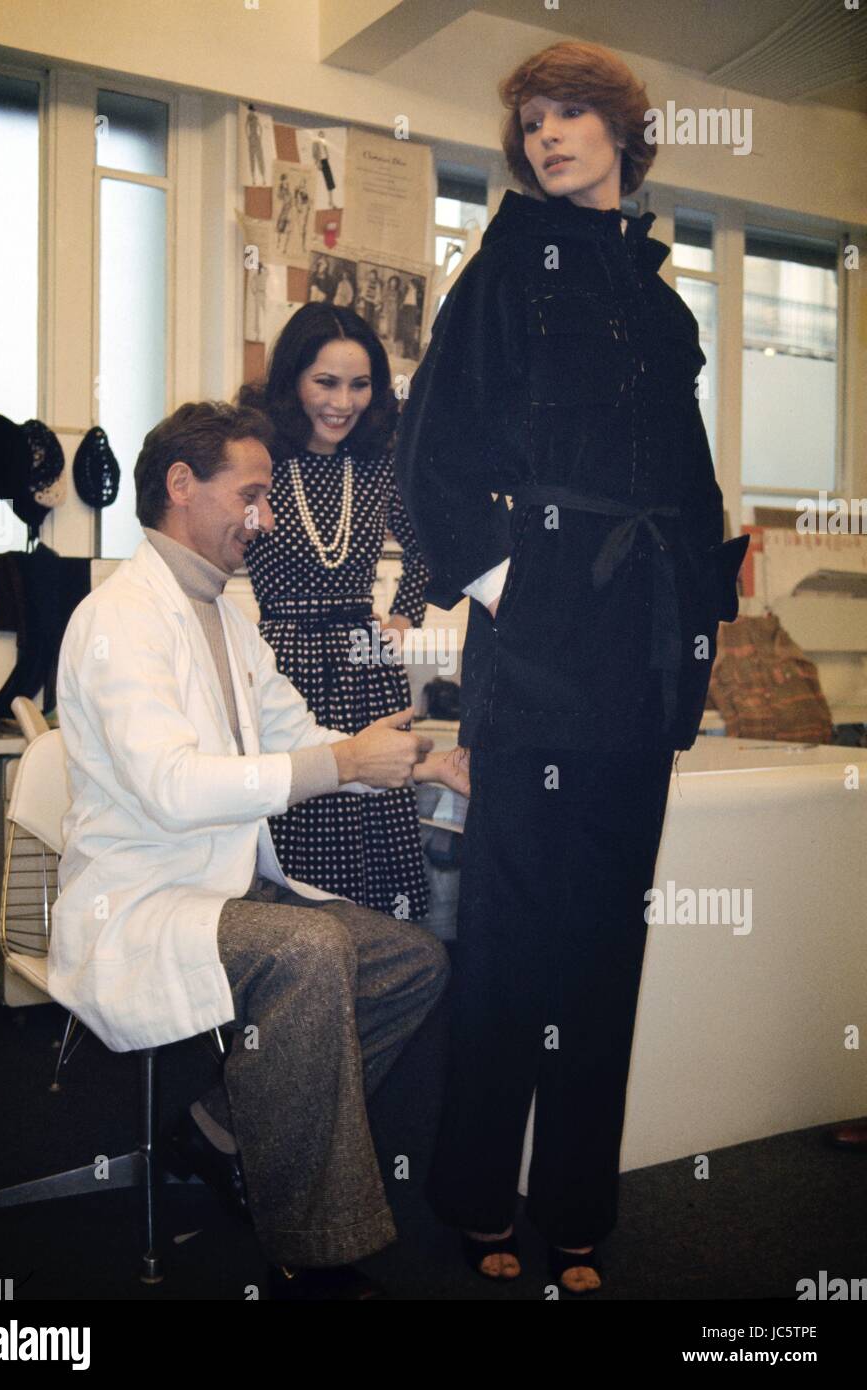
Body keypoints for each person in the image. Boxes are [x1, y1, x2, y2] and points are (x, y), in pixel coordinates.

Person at [394, 39, 749, 1294]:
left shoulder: (660, 299)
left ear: (619, 132)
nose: (545, 136)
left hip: (638, 661)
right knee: (510, 940)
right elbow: (427, 453)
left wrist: (690, 654)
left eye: (569, 116)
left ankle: (578, 1204)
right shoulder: (500, 268)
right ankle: (478, 1193)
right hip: (541, 647)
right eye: (530, 121)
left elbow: (692, 493)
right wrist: (511, 589)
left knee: (606, 948)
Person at [49, 400, 469, 1300]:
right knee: (311, 949)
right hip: (140, 903)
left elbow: (305, 740)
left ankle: (220, 1128)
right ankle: (313, 1251)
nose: (267, 518)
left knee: (411, 960)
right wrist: (338, 759)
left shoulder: (227, 622)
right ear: (180, 488)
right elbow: (173, 784)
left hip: (223, 890)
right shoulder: (121, 620)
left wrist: (422, 763)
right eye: (252, 495)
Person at [238, 302, 434, 921]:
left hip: (364, 659)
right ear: (293, 378)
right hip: (283, 662)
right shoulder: (261, 458)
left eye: (359, 384)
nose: (342, 402)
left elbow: (430, 541)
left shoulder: (380, 462)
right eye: (325, 381)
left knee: (372, 820)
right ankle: (297, 974)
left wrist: (402, 617)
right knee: (298, 817)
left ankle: (384, 979)